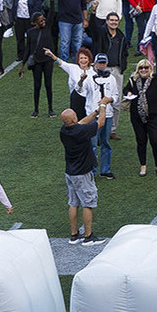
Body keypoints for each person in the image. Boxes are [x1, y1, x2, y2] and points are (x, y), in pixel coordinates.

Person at [58, 97, 111, 246]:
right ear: (74, 119)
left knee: (73, 203)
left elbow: (82, 122)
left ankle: (74, 235)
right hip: (82, 173)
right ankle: (88, 236)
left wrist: (95, 112)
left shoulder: (65, 130)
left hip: (70, 172)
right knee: (88, 203)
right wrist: (102, 106)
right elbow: (100, 123)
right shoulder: (80, 131)